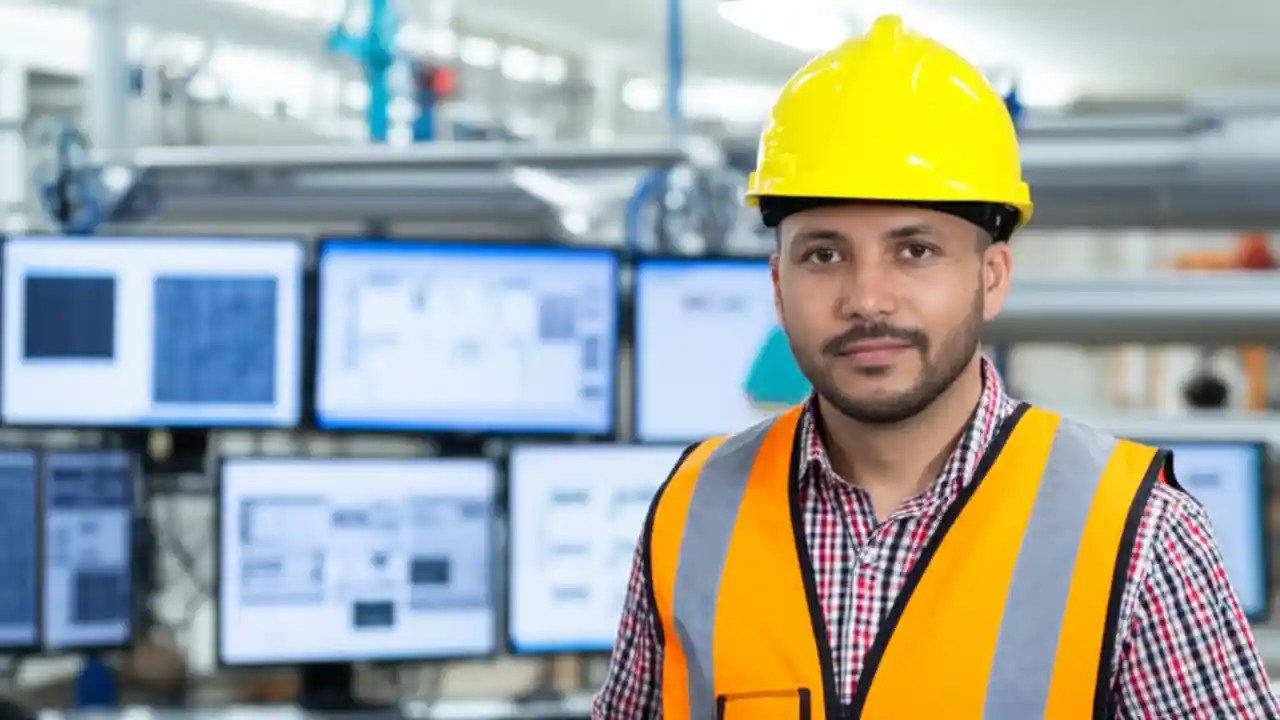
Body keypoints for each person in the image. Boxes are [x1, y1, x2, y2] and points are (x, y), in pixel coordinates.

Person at [593, 14, 1279, 720]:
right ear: (777, 283)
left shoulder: (1138, 535)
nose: (866, 300)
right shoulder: (695, 509)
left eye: (914, 250)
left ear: (993, 275)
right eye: (824, 254)